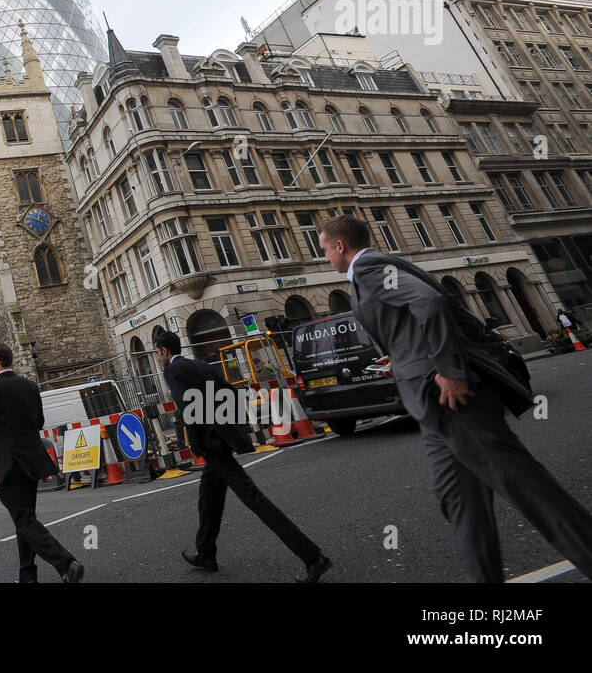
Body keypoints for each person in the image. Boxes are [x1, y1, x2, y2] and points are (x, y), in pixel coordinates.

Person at [320, 214, 592, 582]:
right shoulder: (381, 266)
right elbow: (414, 317)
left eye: (324, 249)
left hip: (448, 397)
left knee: (529, 490)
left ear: (340, 245)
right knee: (460, 503)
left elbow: (428, 302)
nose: (325, 258)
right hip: (431, 406)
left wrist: (449, 369)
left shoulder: (368, 268)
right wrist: (401, 356)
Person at [154, 329, 331, 582]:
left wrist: (198, 444)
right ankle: (206, 552)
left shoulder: (173, 371)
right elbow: (229, 392)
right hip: (222, 439)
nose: (158, 358)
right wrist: (231, 430)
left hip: (212, 443)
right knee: (209, 496)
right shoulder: (201, 365)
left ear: (164, 351)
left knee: (253, 498)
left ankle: (313, 557)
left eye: (157, 353)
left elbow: (188, 410)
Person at [0, 343, 84, 583]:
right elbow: (39, 420)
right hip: (32, 462)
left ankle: (67, 563)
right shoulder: (30, 386)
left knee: (24, 520)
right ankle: (28, 576)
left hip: (11, 465)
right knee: (25, 519)